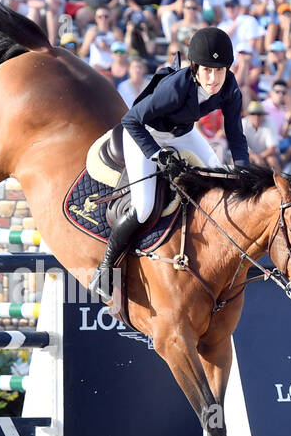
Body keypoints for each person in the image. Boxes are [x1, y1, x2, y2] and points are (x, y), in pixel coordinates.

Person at [91, 27, 247, 296]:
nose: (214, 78)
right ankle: (105, 269)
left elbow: (235, 133)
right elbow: (130, 121)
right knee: (144, 207)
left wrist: (244, 168)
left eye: (219, 70)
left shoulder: (230, 87)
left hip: (183, 133)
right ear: (196, 67)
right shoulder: (175, 88)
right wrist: (157, 154)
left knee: (219, 181)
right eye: (208, 70)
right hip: (144, 134)